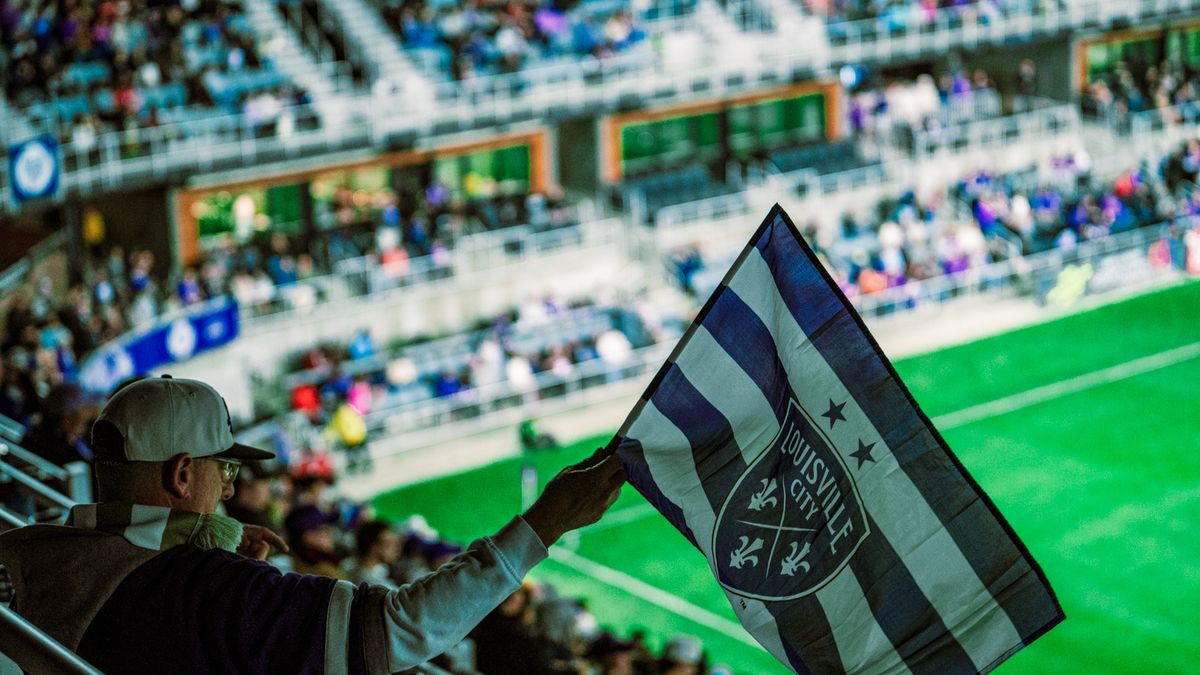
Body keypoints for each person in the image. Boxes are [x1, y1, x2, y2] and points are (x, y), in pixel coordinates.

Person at [0, 375, 625, 673]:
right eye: (224, 469)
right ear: (183, 474)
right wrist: (544, 524)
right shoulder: (214, 591)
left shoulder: (32, 549)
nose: (232, 486)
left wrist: (209, 538)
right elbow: (401, 628)